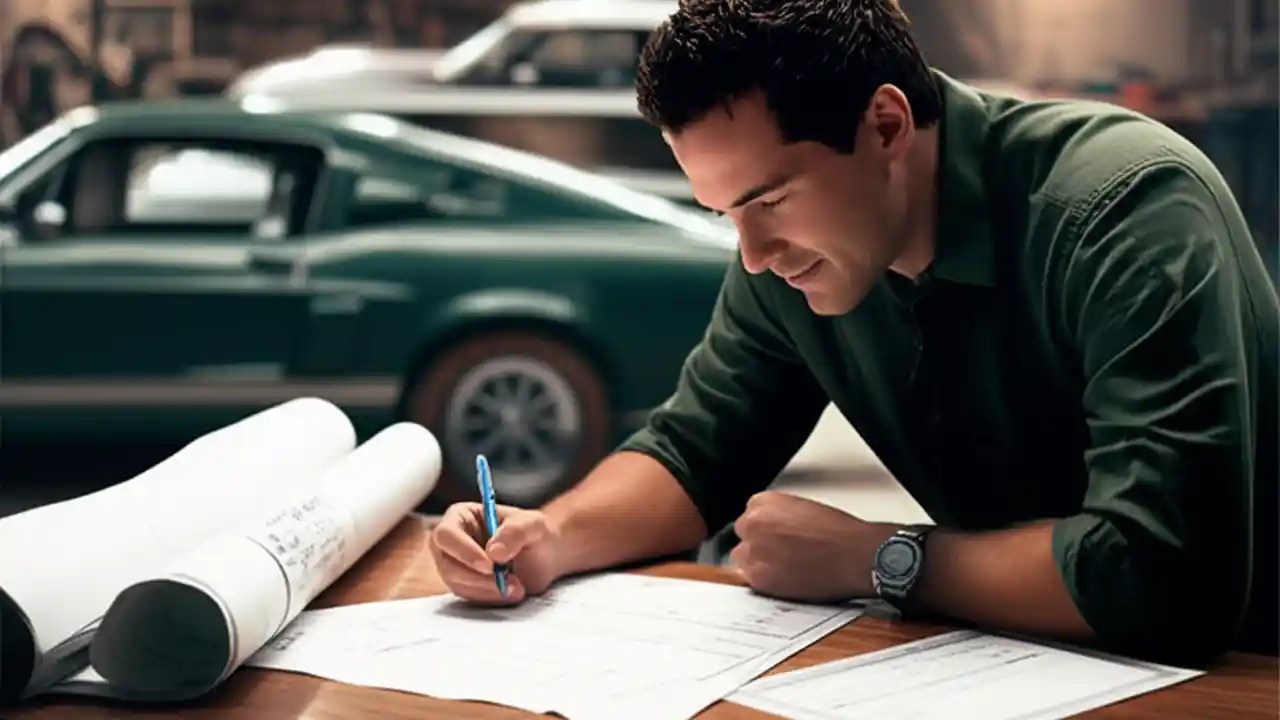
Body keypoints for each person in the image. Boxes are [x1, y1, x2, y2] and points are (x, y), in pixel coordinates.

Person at [429, 0, 1279, 663]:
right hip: (1034, 666)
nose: (753, 254)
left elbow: (1164, 576)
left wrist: (877, 560)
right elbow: (694, 451)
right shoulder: (796, 259)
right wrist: (551, 538)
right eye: (724, 213)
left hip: (1240, 675)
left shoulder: (1125, 213)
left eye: (768, 199)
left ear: (886, 126)